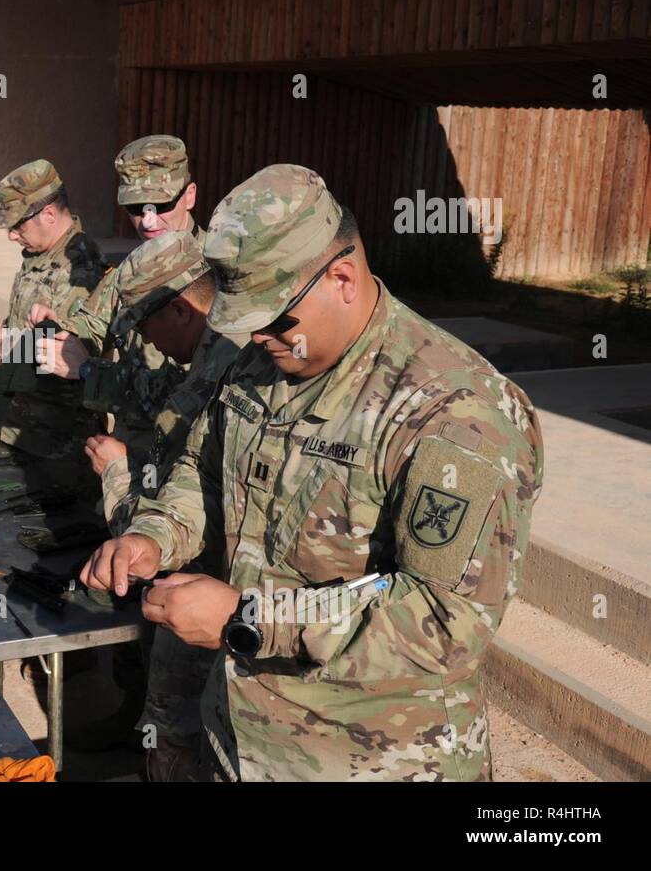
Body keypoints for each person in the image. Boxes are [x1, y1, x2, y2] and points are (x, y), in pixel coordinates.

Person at [83, 164, 544, 781]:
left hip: (372, 760)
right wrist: (155, 535)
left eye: (276, 320)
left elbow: (443, 621)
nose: (258, 338)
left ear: (343, 279)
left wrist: (246, 619)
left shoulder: (456, 412)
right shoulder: (260, 364)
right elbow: (205, 471)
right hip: (242, 741)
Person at [75, 230, 241, 767]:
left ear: (182, 311)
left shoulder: (216, 382)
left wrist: (116, 474)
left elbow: (168, 509)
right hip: (209, 596)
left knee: (177, 741)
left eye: (146, 327)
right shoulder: (218, 360)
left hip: (206, 601)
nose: (148, 343)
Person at [29, 135, 201, 464]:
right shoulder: (131, 268)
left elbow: (188, 393)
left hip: (186, 468)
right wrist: (62, 329)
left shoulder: (217, 274)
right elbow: (95, 322)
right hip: (122, 457)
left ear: (189, 195)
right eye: (136, 209)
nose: (148, 221)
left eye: (160, 206)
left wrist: (91, 372)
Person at [0, 159, 105, 462]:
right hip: (24, 426)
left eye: (18, 224)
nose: (12, 235)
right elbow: (29, 324)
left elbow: (70, 348)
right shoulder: (40, 254)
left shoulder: (80, 267)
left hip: (55, 439)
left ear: (48, 214)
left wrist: (11, 347)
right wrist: (6, 332)